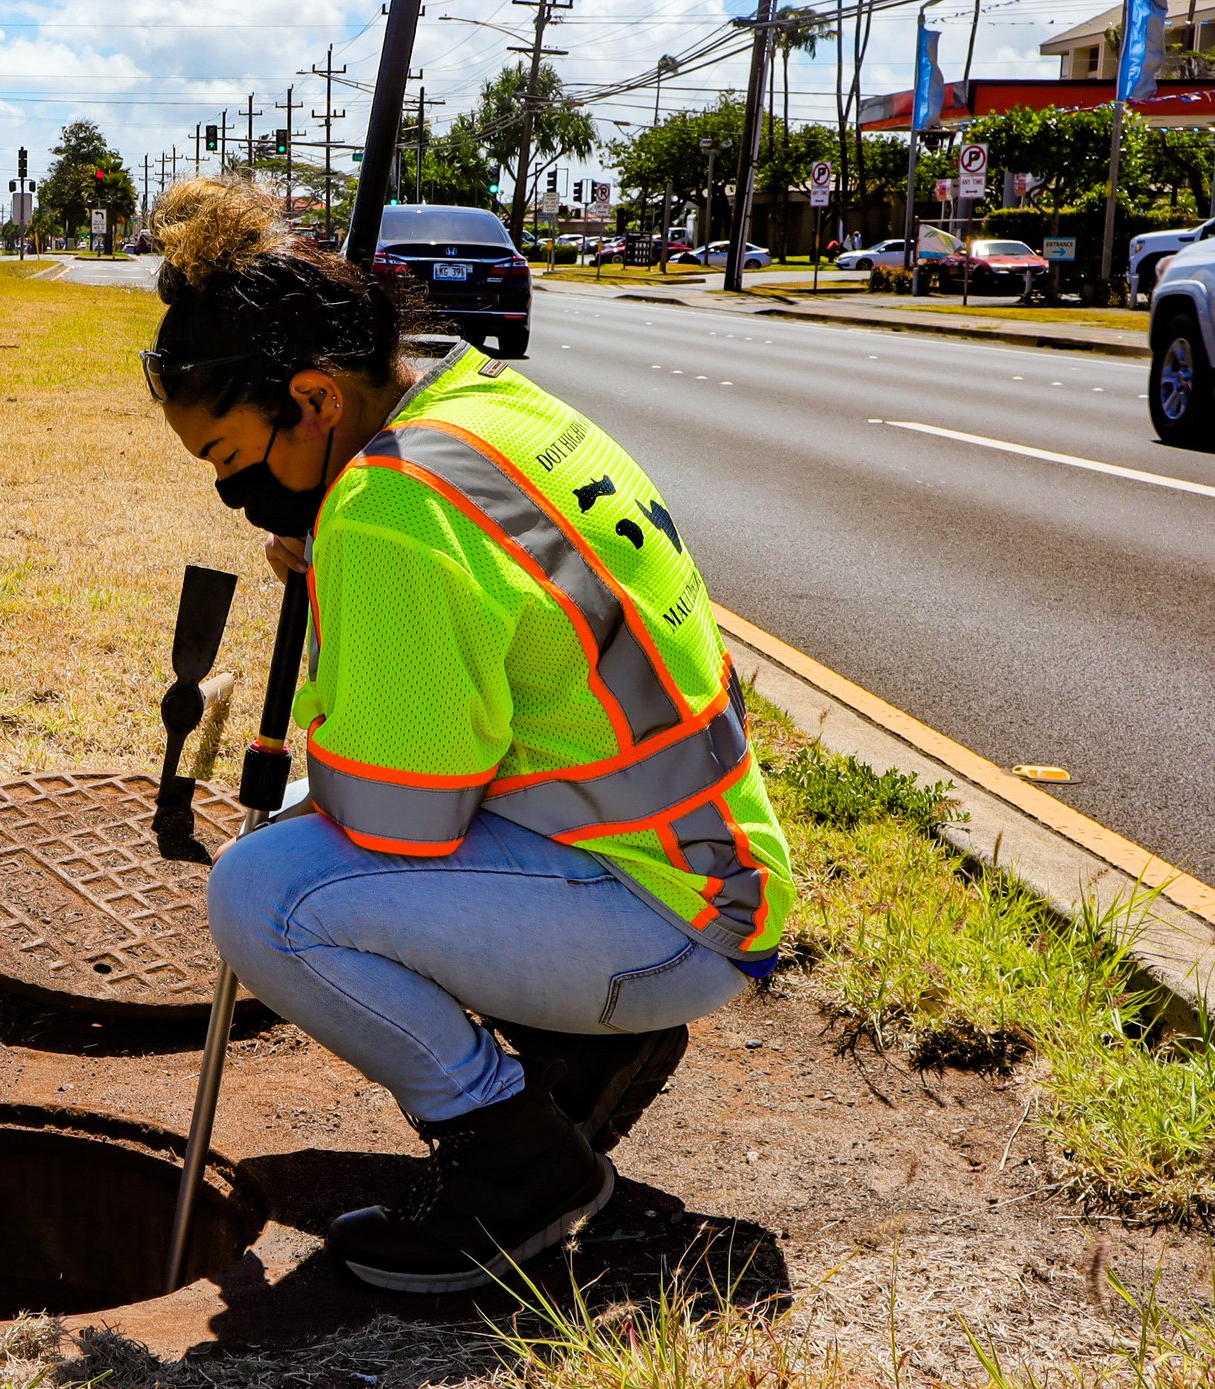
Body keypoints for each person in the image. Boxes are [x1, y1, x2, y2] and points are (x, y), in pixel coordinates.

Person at [142, 179, 793, 1294]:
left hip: (658, 916)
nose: (233, 493)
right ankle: (580, 1052)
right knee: (295, 835)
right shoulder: (485, 402)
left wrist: (346, 590)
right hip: (705, 866)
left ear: (313, 397)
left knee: (263, 894)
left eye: (229, 458)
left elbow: (400, 815)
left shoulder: (387, 510)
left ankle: (515, 1165)